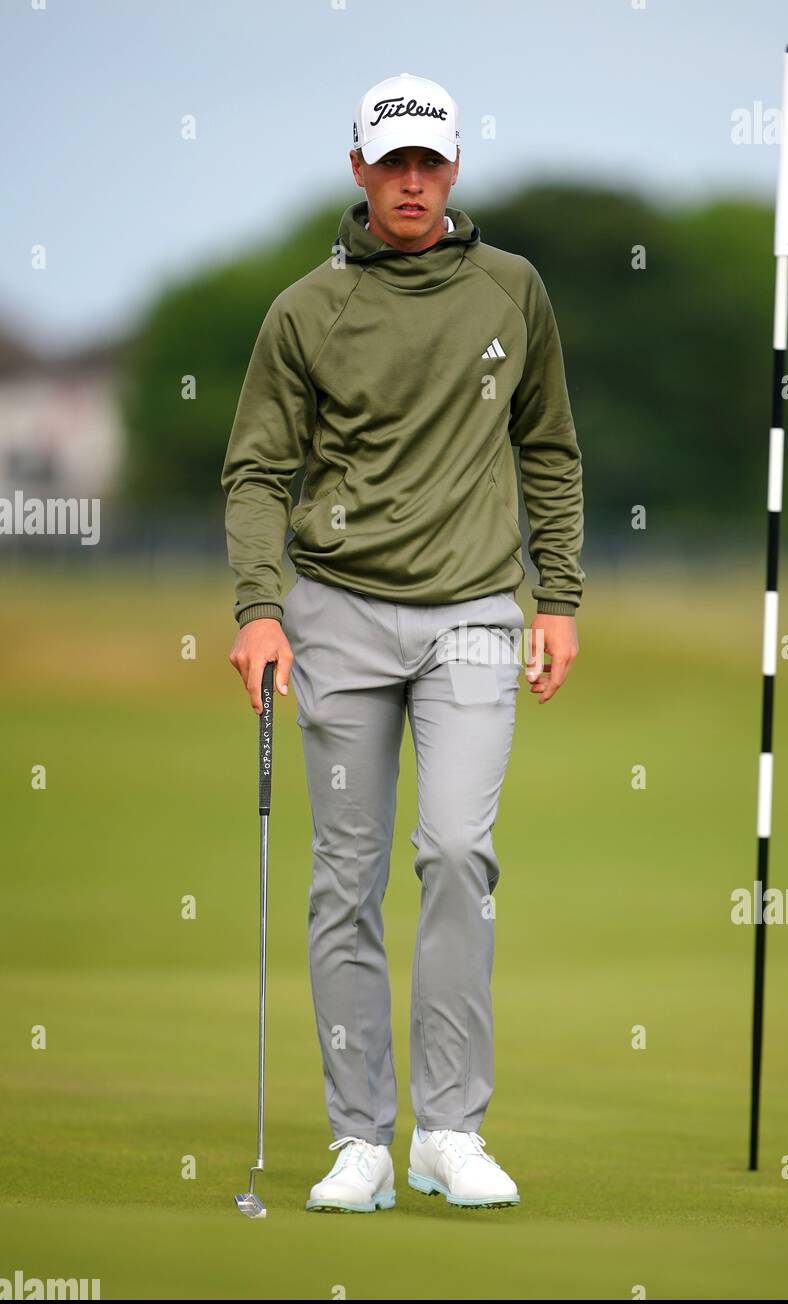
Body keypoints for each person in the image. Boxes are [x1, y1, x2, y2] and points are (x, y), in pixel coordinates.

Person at [221, 72, 584, 1212]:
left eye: (430, 162)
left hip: (477, 612)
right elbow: (256, 472)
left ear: (456, 167)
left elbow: (550, 451)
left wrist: (558, 596)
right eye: (393, 164)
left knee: (457, 859)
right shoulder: (304, 311)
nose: (412, 181)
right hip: (334, 615)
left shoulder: (512, 291)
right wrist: (257, 609)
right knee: (344, 881)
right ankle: (360, 1141)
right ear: (358, 172)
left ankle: (451, 1130)